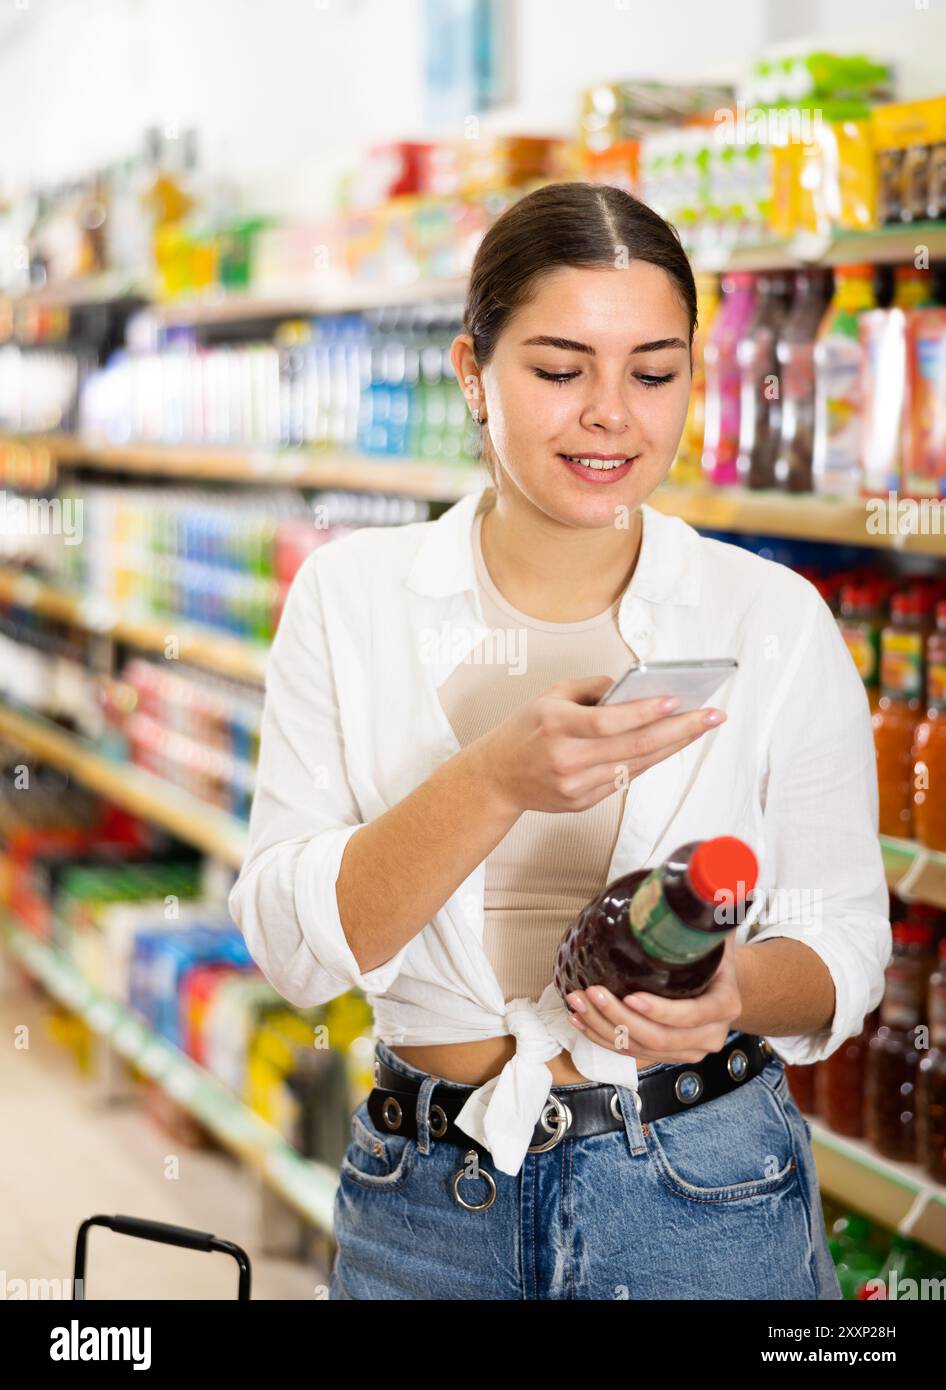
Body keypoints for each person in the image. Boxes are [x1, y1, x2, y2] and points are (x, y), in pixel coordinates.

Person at [228, 182, 891, 1300]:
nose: (611, 415)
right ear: (470, 374)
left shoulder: (767, 616)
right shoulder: (353, 596)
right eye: (557, 367)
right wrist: (493, 779)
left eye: (652, 371)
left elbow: (844, 949)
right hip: (429, 1195)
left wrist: (731, 993)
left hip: (703, 1191)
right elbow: (296, 948)